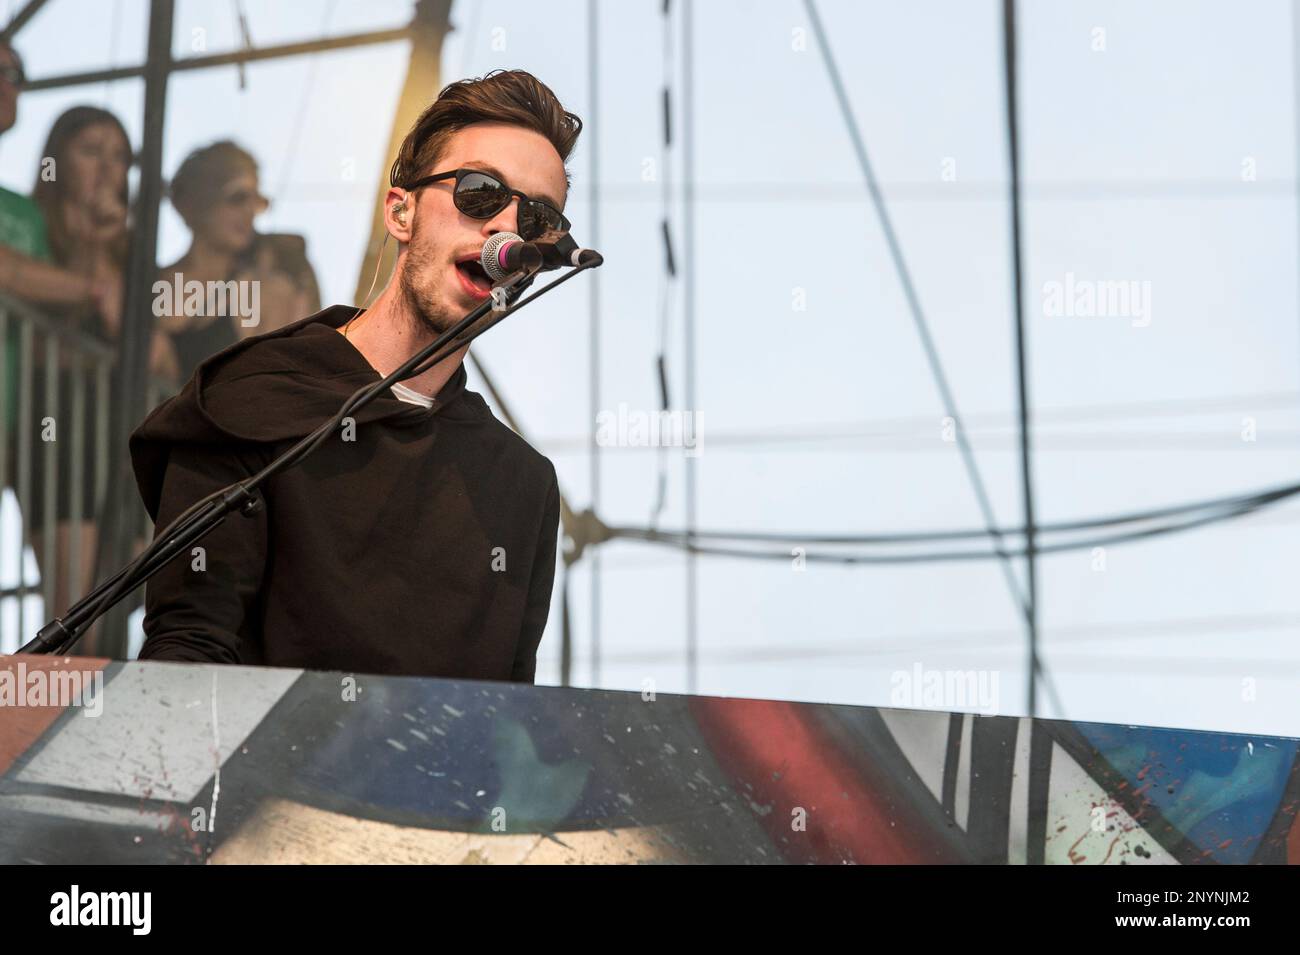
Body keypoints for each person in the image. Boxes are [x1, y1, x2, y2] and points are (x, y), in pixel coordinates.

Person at [131, 70, 573, 682]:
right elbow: (187, 657)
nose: (505, 228)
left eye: (536, 218)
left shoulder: (522, 486)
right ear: (401, 211)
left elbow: (500, 725)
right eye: (479, 192)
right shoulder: (251, 397)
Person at [151, 140, 320, 385]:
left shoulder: (267, 290)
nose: (249, 211)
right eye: (237, 197)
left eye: (256, 201)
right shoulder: (153, 281)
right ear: (196, 202)